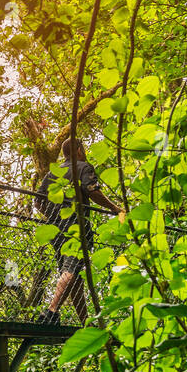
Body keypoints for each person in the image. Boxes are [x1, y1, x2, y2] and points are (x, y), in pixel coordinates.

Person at [35, 137, 124, 324]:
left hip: (55, 230)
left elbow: (38, 201)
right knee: (71, 269)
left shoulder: (53, 173)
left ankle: (85, 322)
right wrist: (115, 208)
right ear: (78, 150)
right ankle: (51, 312)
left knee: (73, 275)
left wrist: (53, 215)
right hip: (77, 226)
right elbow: (92, 191)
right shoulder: (83, 167)